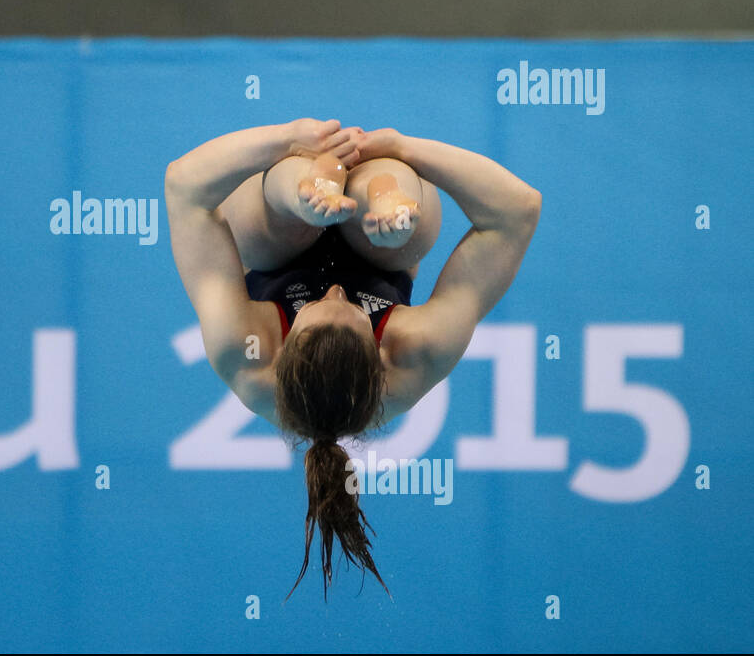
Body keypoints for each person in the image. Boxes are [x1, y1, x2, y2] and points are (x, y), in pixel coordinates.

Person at [164, 119, 541, 597]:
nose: (339, 291)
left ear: (284, 349)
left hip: (278, 247)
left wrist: (287, 140)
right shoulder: (413, 352)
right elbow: (518, 211)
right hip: (381, 250)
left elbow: (184, 186)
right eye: (353, 312)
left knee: (280, 212)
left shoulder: (244, 353)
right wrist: (406, 149)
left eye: (321, 309)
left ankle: (307, 185)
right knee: (390, 192)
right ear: (378, 351)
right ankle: (384, 195)